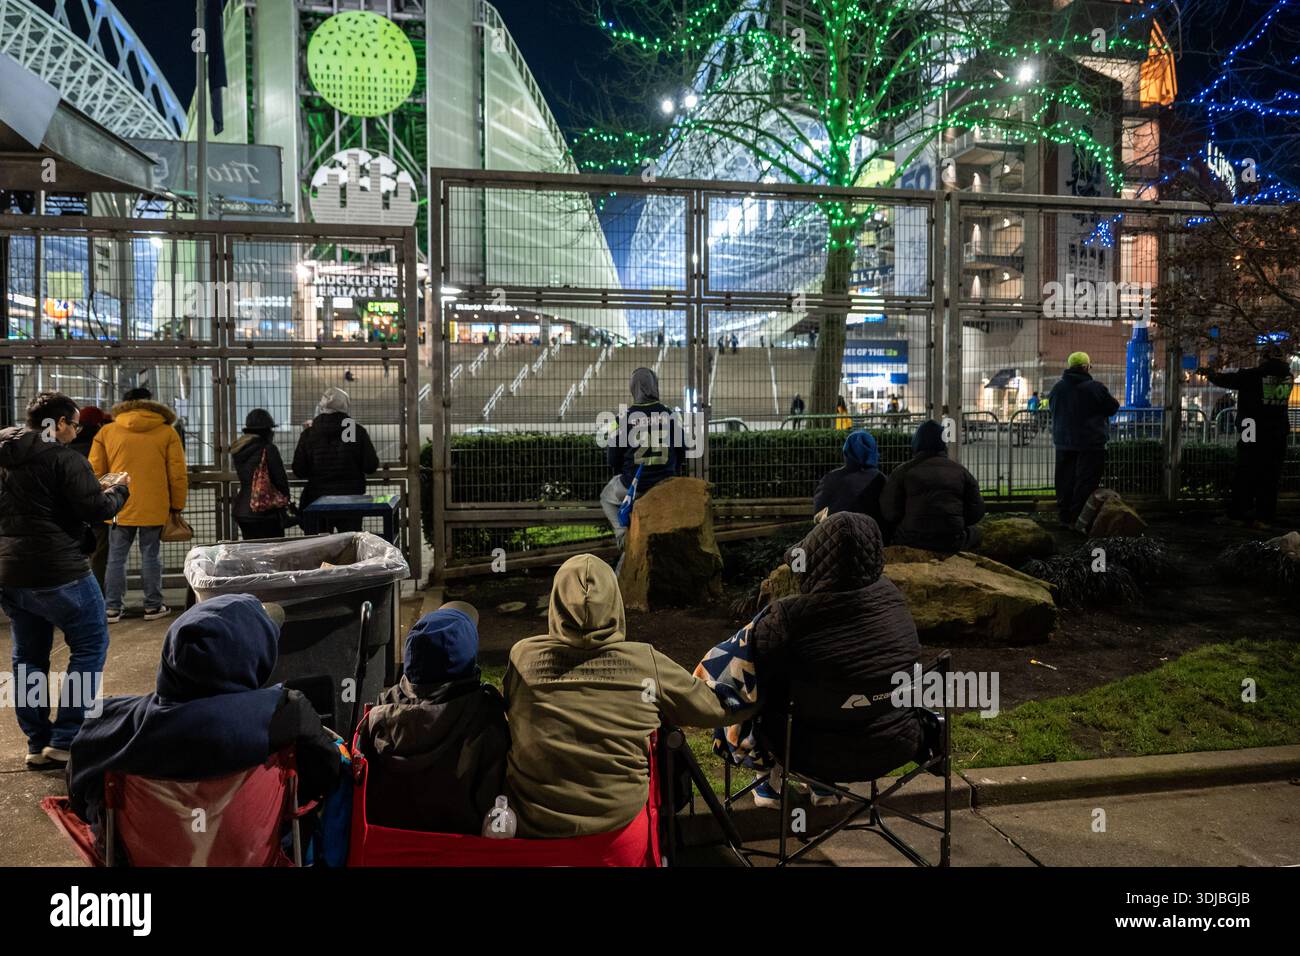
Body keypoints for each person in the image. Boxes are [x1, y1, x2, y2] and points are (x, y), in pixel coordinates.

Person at [66, 595, 344, 839]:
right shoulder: (284, 712)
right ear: (254, 657)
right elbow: (327, 775)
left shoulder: (106, 723)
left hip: (142, 854)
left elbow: (80, 800)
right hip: (254, 850)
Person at [502, 554, 733, 838]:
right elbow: (712, 708)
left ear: (557, 601)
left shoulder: (523, 657)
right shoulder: (644, 663)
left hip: (533, 823)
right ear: (614, 601)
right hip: (617, 827)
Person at [746, 513, 923, 808]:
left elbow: (749, 667)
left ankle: (768, 782)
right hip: (895, 744)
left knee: (747, 681)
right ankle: (822, 786)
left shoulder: (787, 618)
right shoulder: (893, 601)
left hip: (805, 752)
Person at [0, 393, 130, 767]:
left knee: (28, 657)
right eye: (74, 424)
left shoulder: (5, 453)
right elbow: (96, 509)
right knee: (90, 643)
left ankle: (36, 742)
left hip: (10, 572)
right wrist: (119, 489)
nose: (76, 431)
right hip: (59, 571)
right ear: (58, 423)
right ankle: (66, 737)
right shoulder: (64, 458)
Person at [356, 601, 510, 834]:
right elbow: (492, 801)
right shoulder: (485, 713)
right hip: (460, 846)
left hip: (387, 843)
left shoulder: (382, 709)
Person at [90, 387, 188, 624]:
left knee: (116, 557)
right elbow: (177, 473)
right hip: (154, 505)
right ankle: (153, 606)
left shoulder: (107, 431)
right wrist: (177, 504)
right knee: (151, 555)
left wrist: (101, 499)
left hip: (117, 504)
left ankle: (112, 608)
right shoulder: (166, 431)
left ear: (124, 404)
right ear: (151, 403)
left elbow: (95, 470)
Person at [1199, 346, 1294, 527]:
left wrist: (1210, 374)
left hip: (1251, 429)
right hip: (1277, 433)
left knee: (1245, 471)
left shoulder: (1253, 376)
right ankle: (1263, 517)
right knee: (1271, 476)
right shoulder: (1288, 377)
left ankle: (1239, 513)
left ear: (1265, 357)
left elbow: (1227, 380)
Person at [599, 368, 684, 550]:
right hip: (666, 483)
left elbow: (612, 460)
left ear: (633, 388)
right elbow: (682, 450)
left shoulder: (623, 418)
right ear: (655, 386)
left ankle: (623, 536)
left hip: (634, 485)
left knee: (606, 497)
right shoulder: (671, 415)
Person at [881, 419, 985, 552]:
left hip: (910, 540)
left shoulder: (902, 472)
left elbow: (890, 512)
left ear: (916, 442)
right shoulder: (961, 472)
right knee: (977, 532)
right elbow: (976, 512)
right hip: (952, 541)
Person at [292, 387, 380, 534]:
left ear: (322, 406)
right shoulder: (355, 431)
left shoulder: (310, 433)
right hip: (351, 500)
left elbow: (299, 470)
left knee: (319, 544)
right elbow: (370, 466)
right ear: (345, 405)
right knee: (349, 542)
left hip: (317, 500)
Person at [1048, 352, 1120, 528]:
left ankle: (1065, 517)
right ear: (1086, 367)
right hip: (1091, 443)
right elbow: (1113, 407)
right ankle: (1079, 519)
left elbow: (1053, 409)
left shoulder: (1057, 388)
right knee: (1086, 481)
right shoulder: (1095, 388)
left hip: (1064, 442)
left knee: (1064, 480)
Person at [69, 406, 113, 589]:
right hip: (96, 505)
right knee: (99, 552)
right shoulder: (103, 441)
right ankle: (97, 591)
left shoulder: (68, 444)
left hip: (71, 507)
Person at [232, 409, 292, 540]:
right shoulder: (269, 449)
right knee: (273, 549)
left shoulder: (239, 449)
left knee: (252, 549)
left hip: (243, 510)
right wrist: (285, 501)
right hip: (266, 512)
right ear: (266, 431)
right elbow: (280, 480)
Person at [813, 430, 887, 529]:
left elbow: (818, 514)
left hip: (835, 534)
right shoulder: (881, 480)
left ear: (847, 452)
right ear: (874, 452)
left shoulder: (831, 478)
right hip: (872, 535)